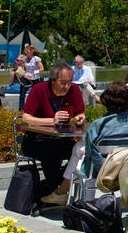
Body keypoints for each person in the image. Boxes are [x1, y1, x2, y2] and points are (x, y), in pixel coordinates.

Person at [21, 62, 87, 200]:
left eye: (69, 82)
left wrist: (79, 118)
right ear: (53, 80)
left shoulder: (74, 89)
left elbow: (79, 112)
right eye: (63, 83)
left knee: (82, 152)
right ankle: (52, 190)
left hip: (63, 138)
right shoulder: (38, 89)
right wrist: (51, 121)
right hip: (37, 139)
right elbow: (26, 118)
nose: (67, 87)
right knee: (52, 154)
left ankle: (59, 189)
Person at [84, 81, 128, 178]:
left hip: (106, 174)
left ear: (105, 101)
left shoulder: (97, 125)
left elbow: (90, 154)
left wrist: (104, 172)